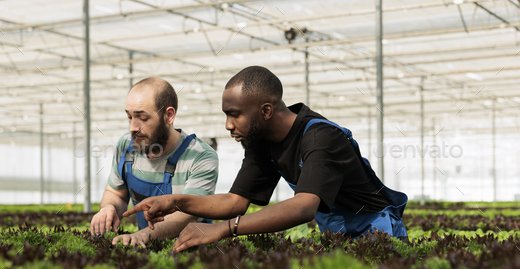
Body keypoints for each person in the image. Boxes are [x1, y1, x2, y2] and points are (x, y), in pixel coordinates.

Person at [123, 66, 407, 252]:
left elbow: (304, 207)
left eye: (234, 114)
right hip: (338, 233)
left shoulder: (321, 139)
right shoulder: (262, 143)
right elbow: (236, 202)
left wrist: (225, 230)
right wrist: (177, 201)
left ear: (266, 111)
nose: (228, 125)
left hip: (378, 232)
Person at [89, 77, 218, 247]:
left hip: (192, 251)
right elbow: (116, 193)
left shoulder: (200, 156)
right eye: (129, 117)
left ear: (169, 116)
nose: (132, 127)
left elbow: (188, 213)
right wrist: (109, 209)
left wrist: (143, 235)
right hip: (147, 247)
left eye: (142, 118)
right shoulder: (126, 147)